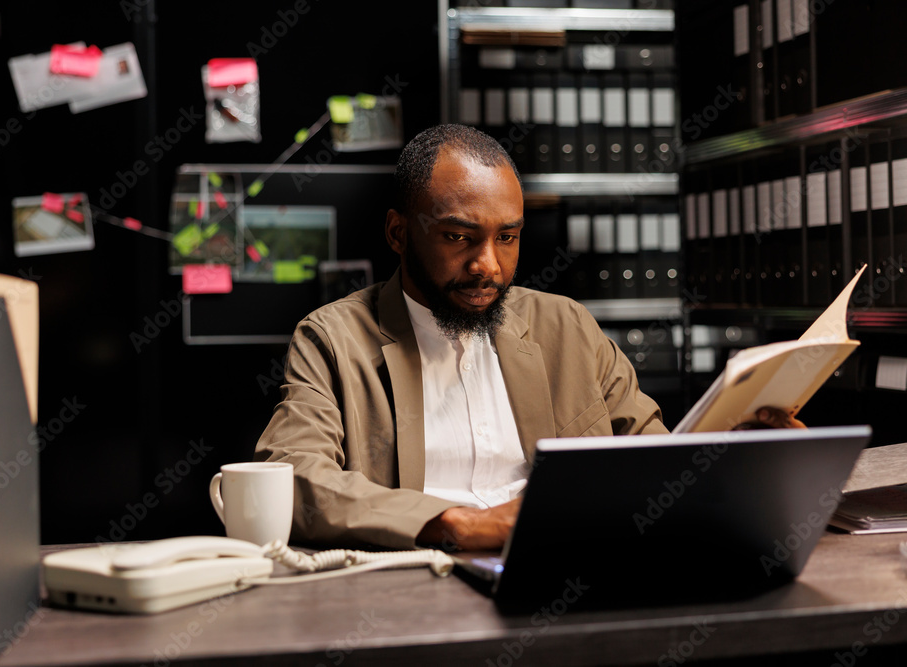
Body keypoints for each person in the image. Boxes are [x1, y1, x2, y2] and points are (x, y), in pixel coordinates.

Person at [254, 124, 795, 551]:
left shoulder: (568, 327)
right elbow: (293, 475)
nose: (487, 265)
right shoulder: (333, 339)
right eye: (459, 237)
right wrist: (455, 523)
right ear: (399, 233)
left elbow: (652, 460)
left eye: (507, 238)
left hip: (571, 570)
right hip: (420, 584)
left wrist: (737, 455)